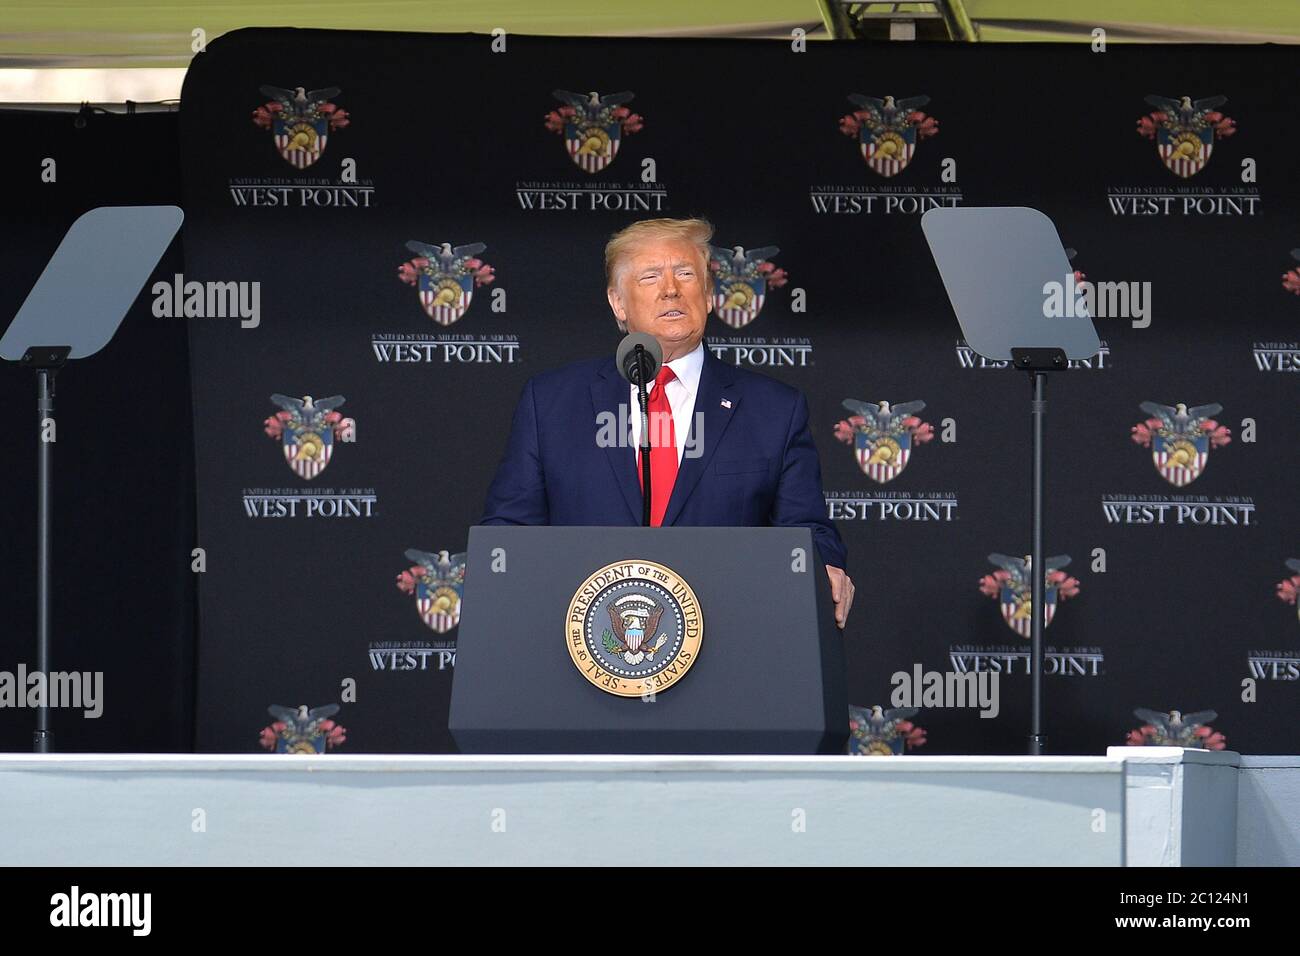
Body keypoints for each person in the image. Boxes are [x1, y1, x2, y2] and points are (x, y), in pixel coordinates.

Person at [480, 217, 855, 627]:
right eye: (650, 276)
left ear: (709, 295)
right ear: (618, 304)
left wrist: (826, 567)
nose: (671, 289)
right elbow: (509, 532)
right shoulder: (551, 401)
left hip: (729, 639)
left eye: (686, 273)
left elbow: (807, 531)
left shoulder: (774, 409)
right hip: (581, 645)